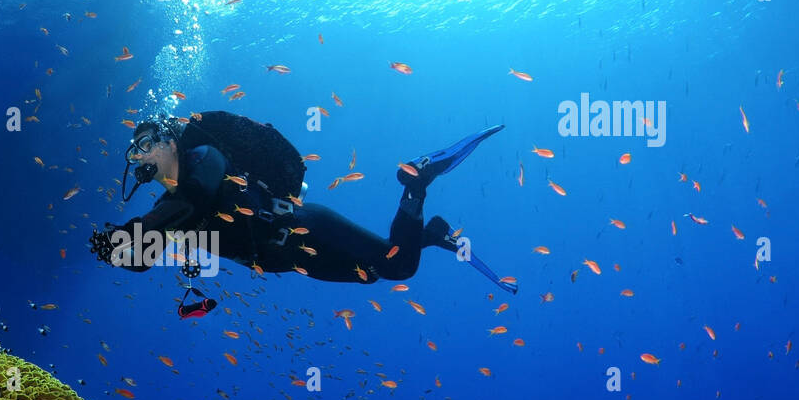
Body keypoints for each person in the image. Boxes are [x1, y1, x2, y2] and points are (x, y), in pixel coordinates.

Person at [88, 110, 517, 294]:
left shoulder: (205, 158)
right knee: (372, 273)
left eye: (144, 143)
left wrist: (131, 235)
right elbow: (146, 256)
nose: (139, 155)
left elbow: (193, 200)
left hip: (302, 226)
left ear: (169, 139)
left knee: (397, 267)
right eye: (132, 152)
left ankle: (418, 181)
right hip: (289, 259)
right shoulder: (171, 205)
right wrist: (119, 250)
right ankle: (430, 233)